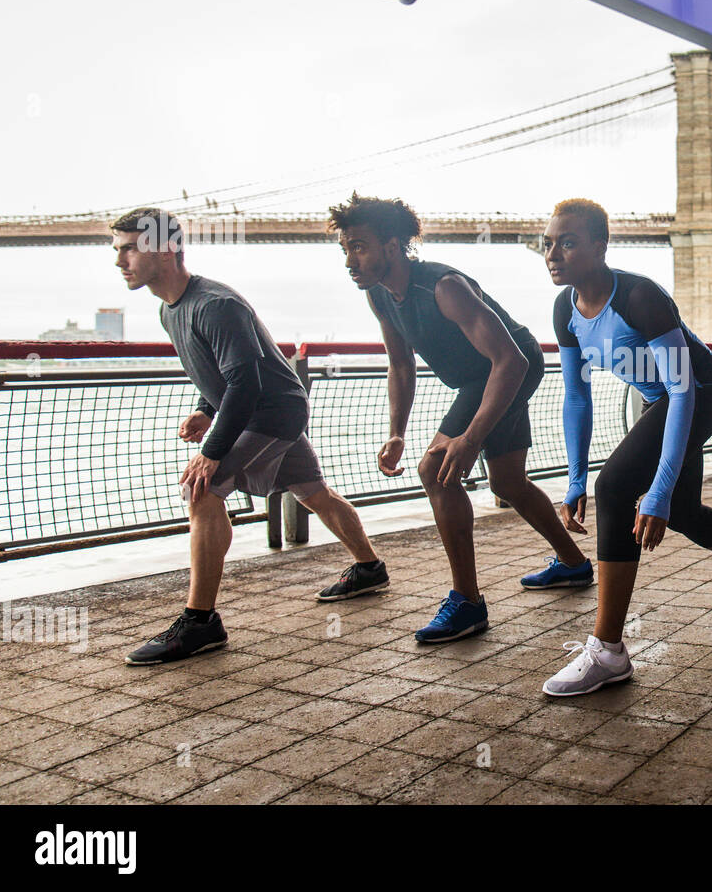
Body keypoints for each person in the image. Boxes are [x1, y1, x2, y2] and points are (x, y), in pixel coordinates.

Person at [111, 208, 387, 665]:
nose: (120, 261)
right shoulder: (170, 309)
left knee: (201, 490)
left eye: (128, 250)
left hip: (271, 412)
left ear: (165, 250)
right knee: (313, 492)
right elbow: (221, 374)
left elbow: (245, 385)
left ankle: (200, 623)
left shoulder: (216, 305)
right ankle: (370, 568)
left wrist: (212, 451)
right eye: (117, 250)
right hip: (269, 409)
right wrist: (205, 410)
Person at [542, 198, 712, 696]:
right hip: (663, 399)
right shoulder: (564, 309)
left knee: (615, 487)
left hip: (703, 390)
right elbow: (576, 396)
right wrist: (573, 481)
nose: (552, 254)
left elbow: (683, 389)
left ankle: (608, 650)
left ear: (600, 247)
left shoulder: (640, 296)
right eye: (547, 244)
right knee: (683, 512)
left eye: (567, 243)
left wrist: (654, 491)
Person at [328, 193, 592, 643]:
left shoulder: (443, 287)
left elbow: (510, 361)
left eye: (359, 247)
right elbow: (401, 365)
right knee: (507, 482)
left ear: (391, 247)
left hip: (509, 366)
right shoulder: (380, 295)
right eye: (346, 249)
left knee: (436, 471)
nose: (351, 261)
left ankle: (467, 603)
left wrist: (470, 439)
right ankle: (574, 564)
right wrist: (397, 432)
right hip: (483, 376)